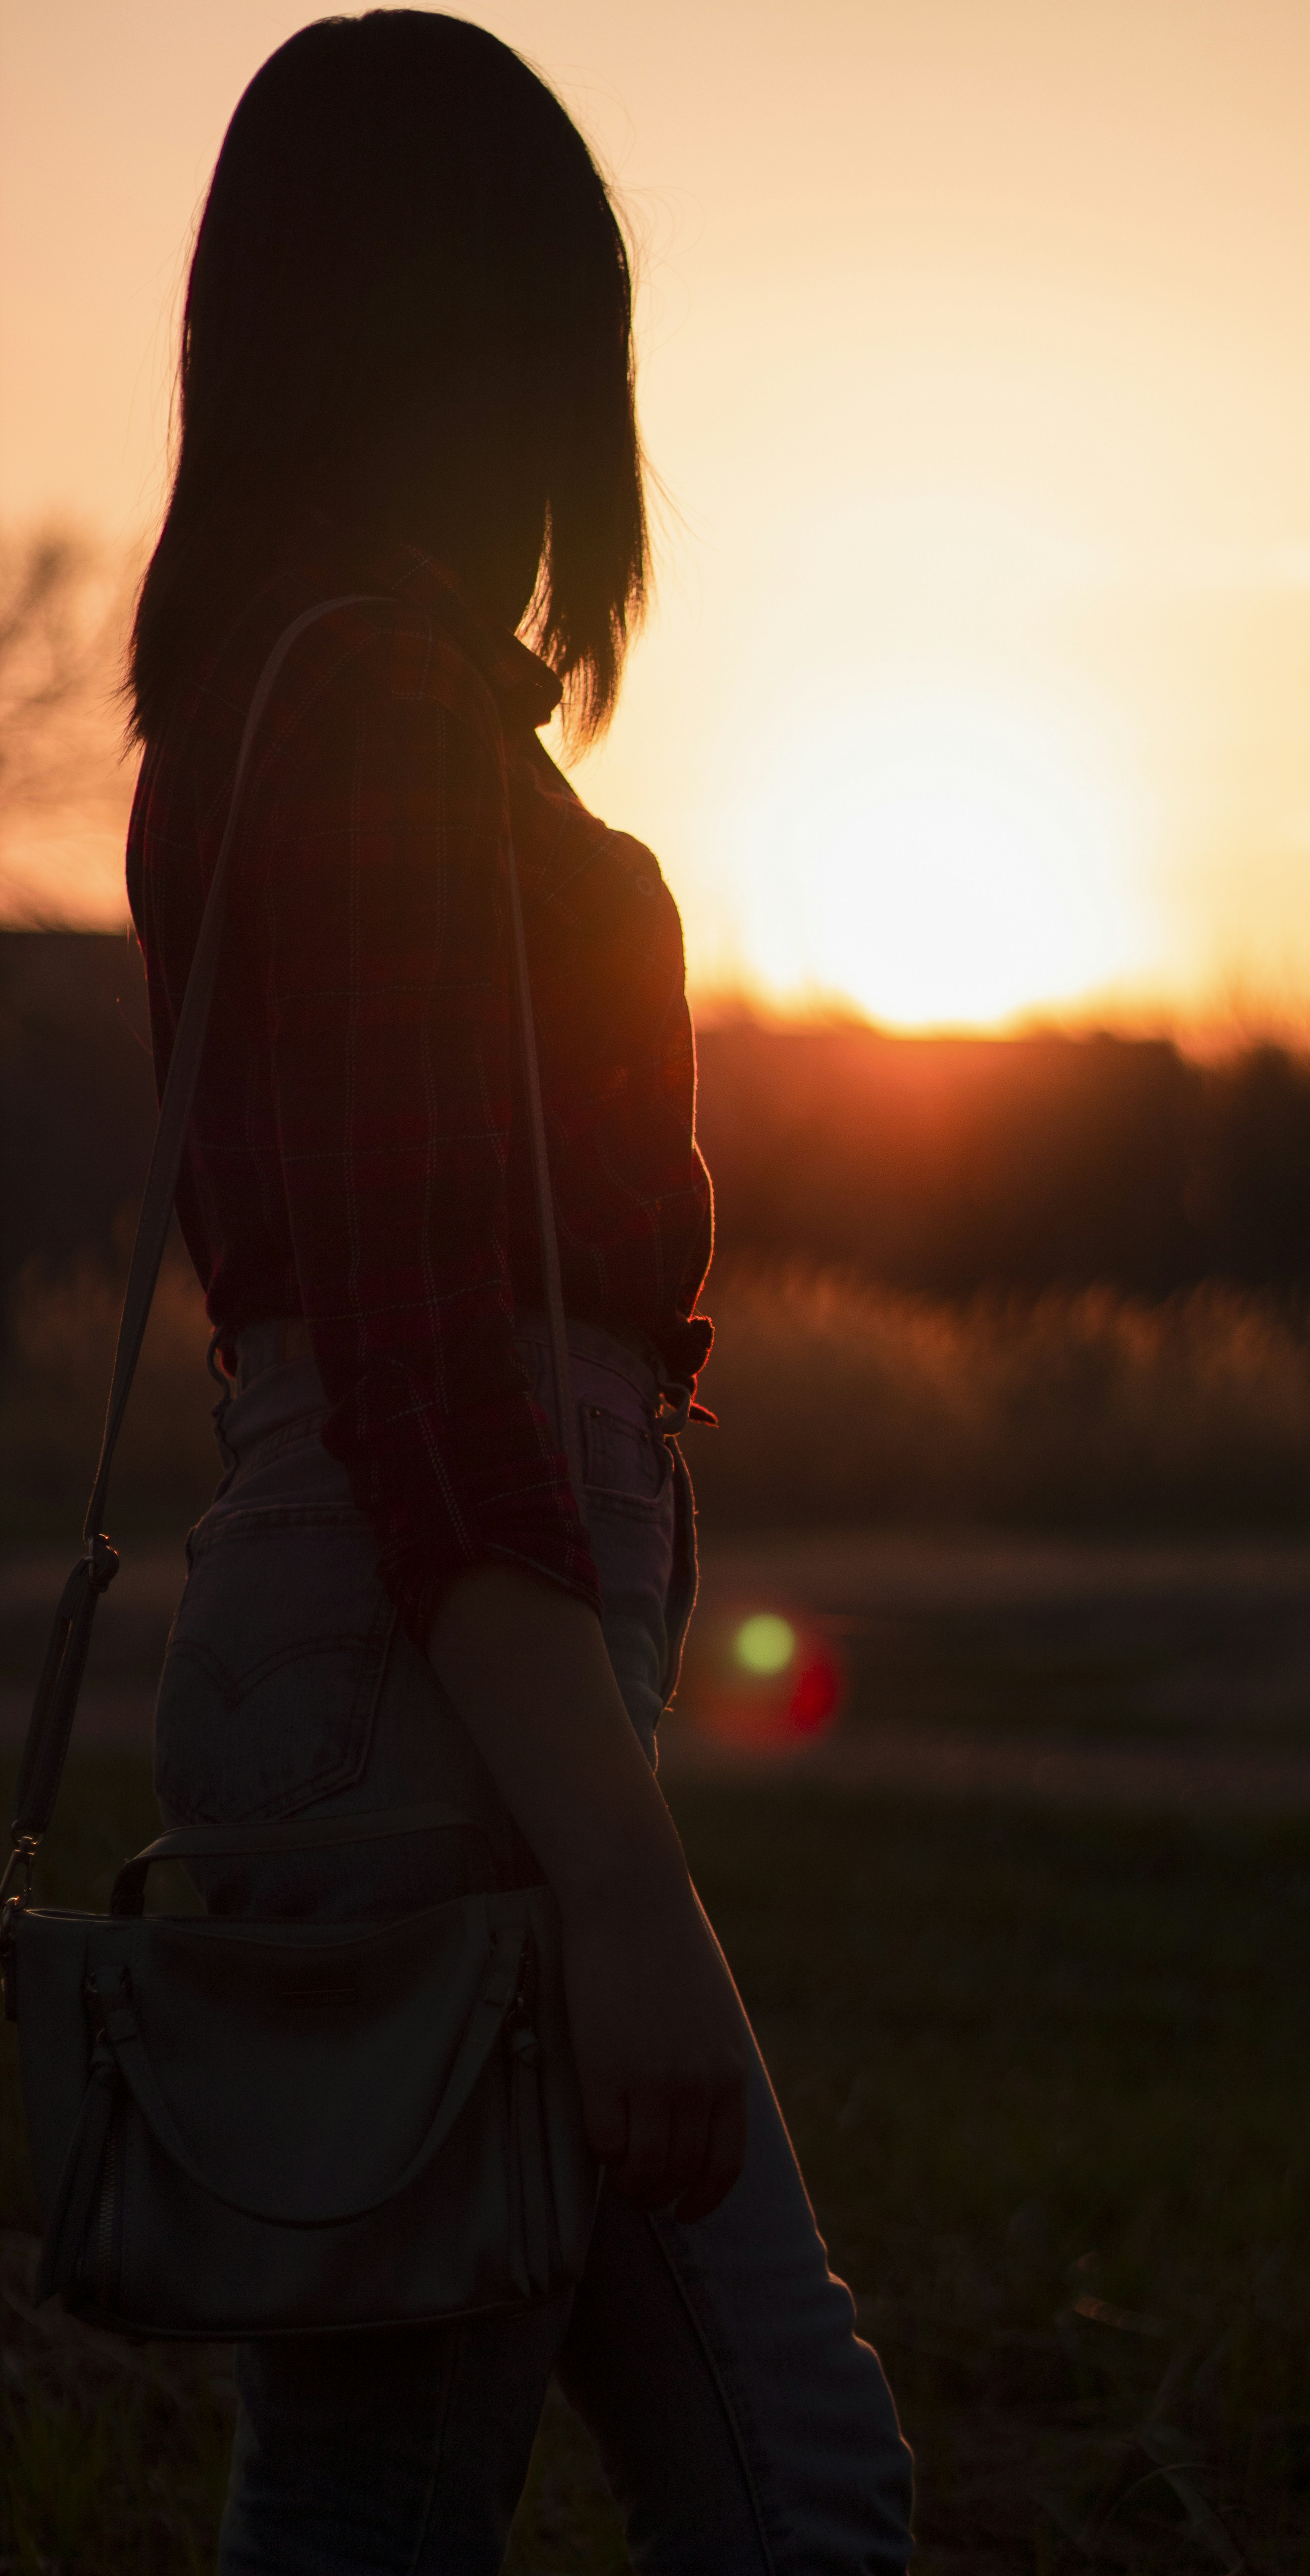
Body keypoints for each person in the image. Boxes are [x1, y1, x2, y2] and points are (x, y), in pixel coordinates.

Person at [123, 15, 913, 2572]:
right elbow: (430, 1376)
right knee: (745, 2487)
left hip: (415, 1699)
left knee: (567, 2490)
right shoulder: (357, 704)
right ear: (468, 336)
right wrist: (622, 1885)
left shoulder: (320, 693)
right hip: (430, 1697)